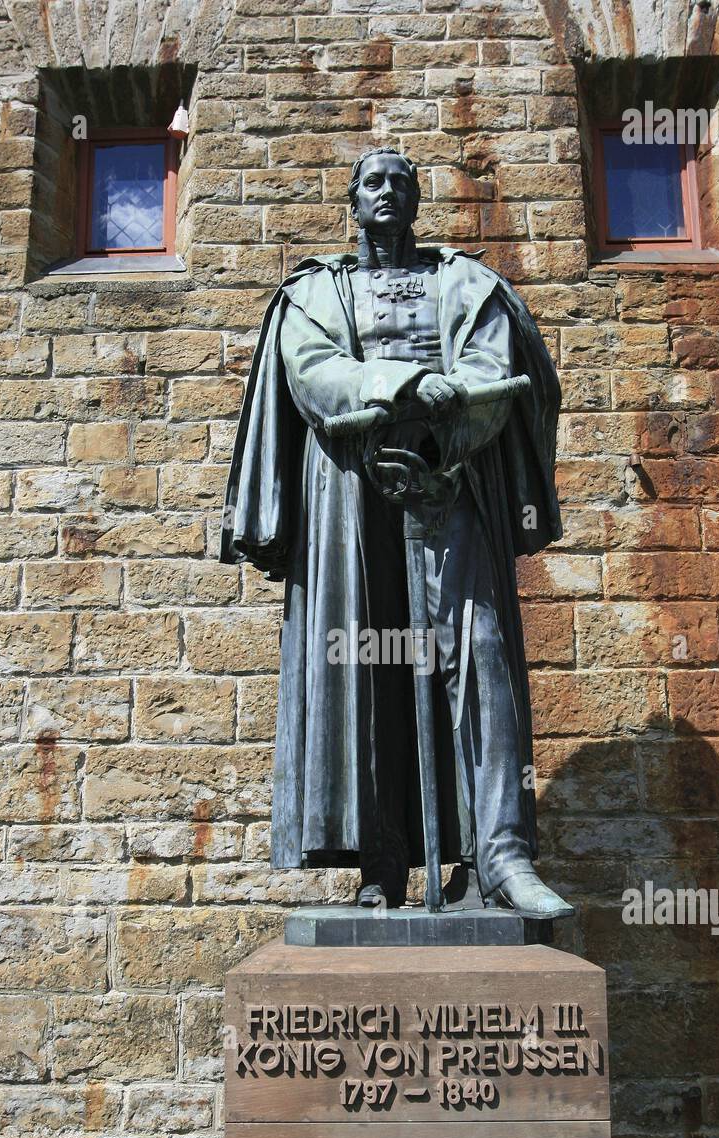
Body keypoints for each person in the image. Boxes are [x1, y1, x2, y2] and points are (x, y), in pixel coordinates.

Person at [220, 146, 574, 920]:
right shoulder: (314, 292)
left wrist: (455, 409)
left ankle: (499, 855)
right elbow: (314, 371)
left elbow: (494, 365)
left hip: (452, 476)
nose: (388, 193)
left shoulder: (465, 282)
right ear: (352, 200)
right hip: (351, 488)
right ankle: (381, 863)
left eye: (402, 183)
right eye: (373, 182)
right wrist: (409, 384)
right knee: (366, 661)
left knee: (478, 653)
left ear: (417, 201)